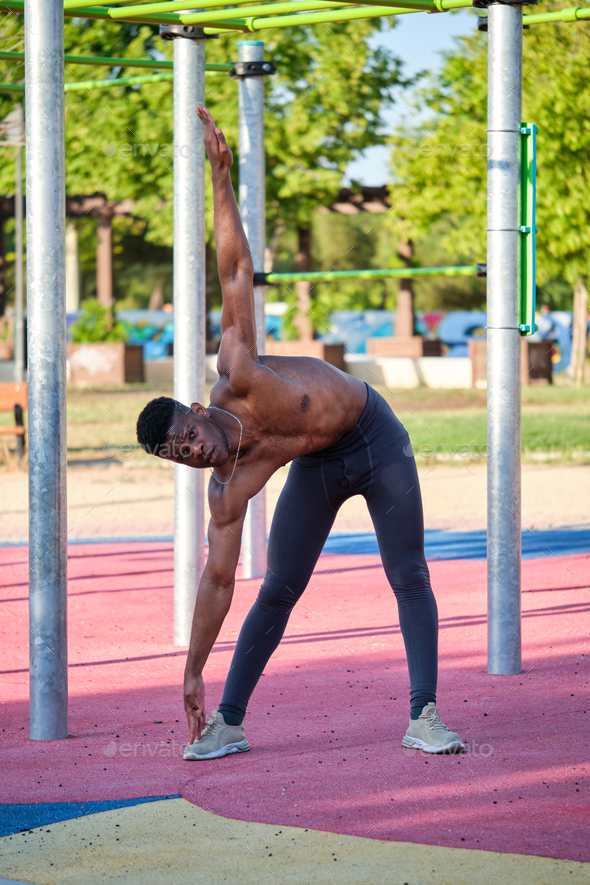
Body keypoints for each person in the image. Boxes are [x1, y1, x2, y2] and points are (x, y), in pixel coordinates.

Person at [136, 105, 465, 760]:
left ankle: (423, 714)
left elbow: (233, 272)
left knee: (408, 571)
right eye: (180, 456)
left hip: (373, 436)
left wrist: (220, 179)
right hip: (317, 463)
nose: (193, 452)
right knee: (279, 585)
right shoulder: (225, 491)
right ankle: (228, 719)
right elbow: (216, 581)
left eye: (188, 436)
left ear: (199, 409)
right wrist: (192, 668)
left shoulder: (239, 370)